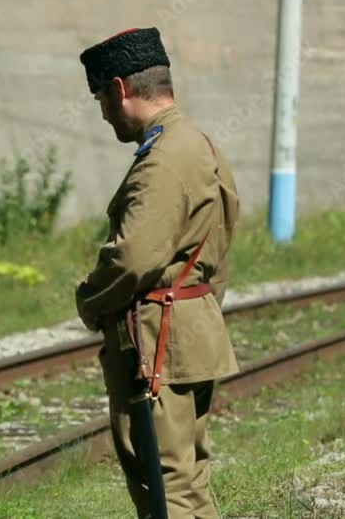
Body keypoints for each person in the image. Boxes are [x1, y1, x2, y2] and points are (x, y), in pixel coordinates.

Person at [74, 27, 240, 519]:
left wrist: (89, 299)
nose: (103, 112)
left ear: (120, 89)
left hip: (156, 341)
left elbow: (133, 258)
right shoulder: (201, 145)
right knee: (187, 479)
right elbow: (220, 249)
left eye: (101, 97)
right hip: (190, 328)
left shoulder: (162, 159)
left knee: (163, 485)